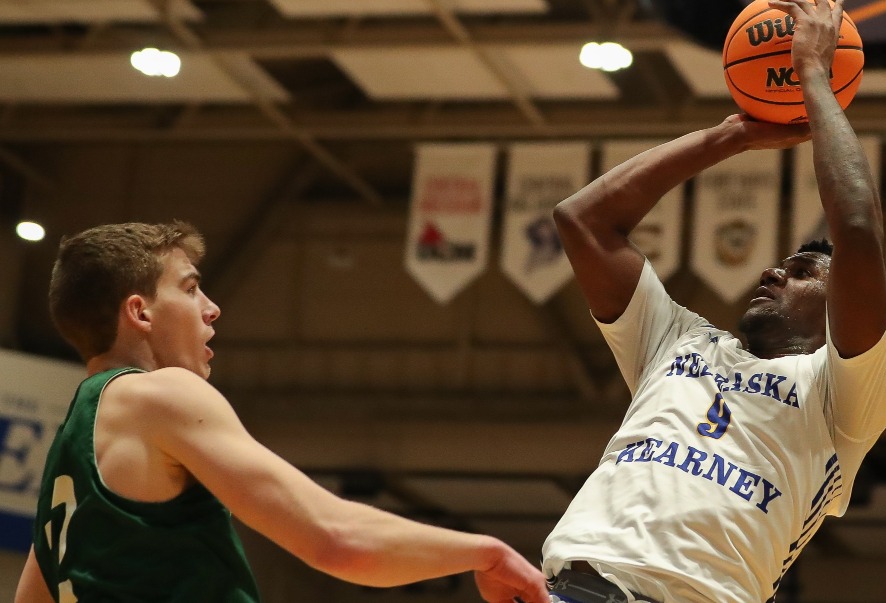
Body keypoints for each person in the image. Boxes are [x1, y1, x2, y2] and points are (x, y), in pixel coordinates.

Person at [542, 1, 886, 602]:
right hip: (574, 588)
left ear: (839, 304)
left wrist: (813, 72)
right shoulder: (676, 341)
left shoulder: (842, 395)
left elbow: (857, 229)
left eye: (801, 271)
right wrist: (730, 135)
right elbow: (584, 220)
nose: (771, 272)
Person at [14, 220, 550, 603]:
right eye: (191, 288)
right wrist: (488, 553)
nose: (211, 307)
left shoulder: (71, 447)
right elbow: (336, 538)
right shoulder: (162, 394)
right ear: (141, 311)